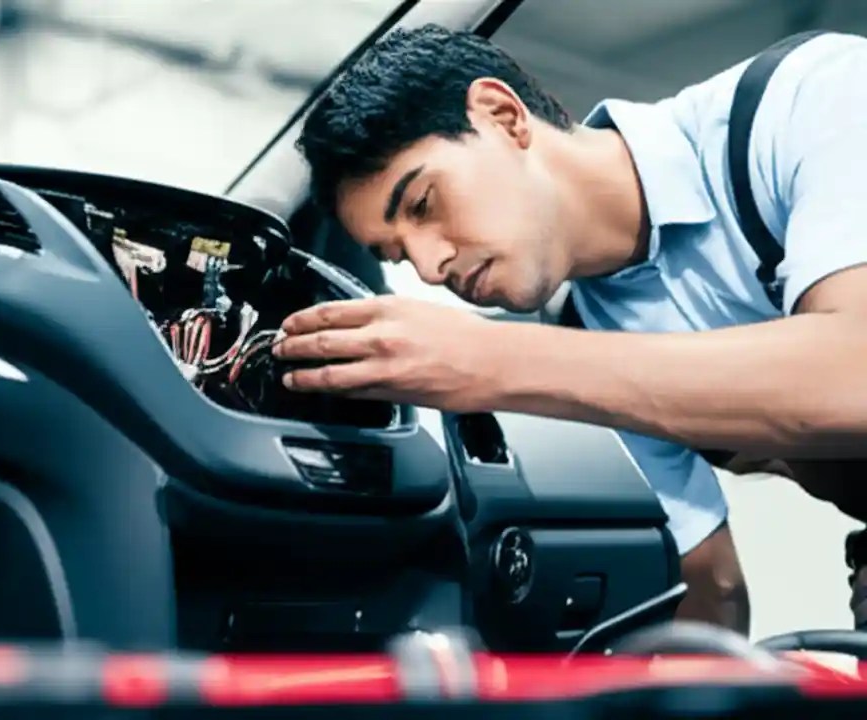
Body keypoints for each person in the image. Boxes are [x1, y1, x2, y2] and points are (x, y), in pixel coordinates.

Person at [271, 25, 867, 635]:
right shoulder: (583, 334)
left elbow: (855, 375)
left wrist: (493, 361)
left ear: (503, 117)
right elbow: (704, 582)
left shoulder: (812, 100)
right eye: (399, 256)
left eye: (424, 205)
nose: (430, 266)